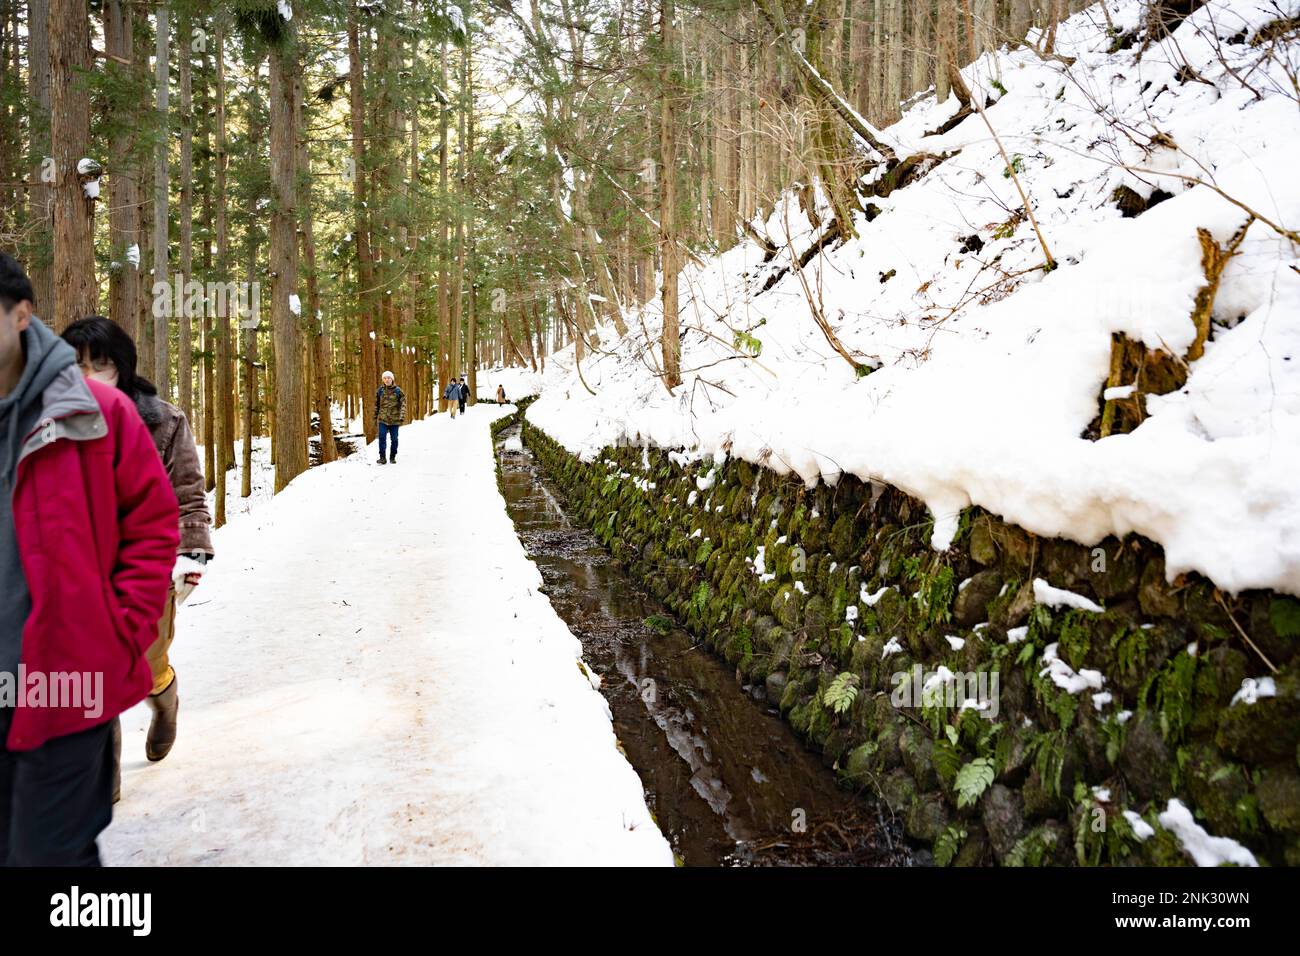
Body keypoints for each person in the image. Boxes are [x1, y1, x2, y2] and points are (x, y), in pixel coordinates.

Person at [0, 254, 178, 865]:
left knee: (49, 857)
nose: (94, 371)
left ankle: (159, 700)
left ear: (22, 315)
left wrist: (114, 634)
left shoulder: (110, 417)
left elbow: (164, 514)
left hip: (68, 676)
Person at [62, 316, 213, 791]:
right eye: (76, 367)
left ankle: (164, 695)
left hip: (146, 572)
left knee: (142, 666)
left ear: (121, 369)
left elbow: (188, 493)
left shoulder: (162, 421)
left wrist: (191, 557)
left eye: (100, 366)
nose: (88, 378)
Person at [375, 370, 405, 463]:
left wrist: (402, 416)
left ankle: (392, 457)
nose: (386, 380)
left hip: (394, 420)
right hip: (383, 419)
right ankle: (382, 458)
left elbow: (403, 404)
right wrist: (375, 417)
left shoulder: (398, 391)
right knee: (382, 438)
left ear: (392, 379)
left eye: (388, 378)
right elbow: (376, 405)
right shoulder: (380, 391)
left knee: (394, 439)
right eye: (384, 378)